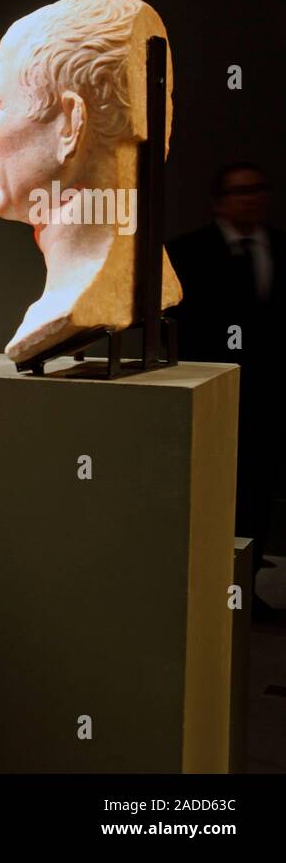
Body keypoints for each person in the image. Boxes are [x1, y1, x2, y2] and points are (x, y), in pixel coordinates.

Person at [168, 162, 285, 619]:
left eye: (258, 189)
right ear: (219, 201)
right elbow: (177, 327)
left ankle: (245, 588)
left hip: (266, 397)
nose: (250, 198)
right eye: (240, 191)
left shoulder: (280, 248)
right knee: (211, 492)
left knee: (257, 494)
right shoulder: (187, 252)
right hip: (211, 394)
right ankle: (204, 593)